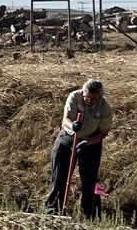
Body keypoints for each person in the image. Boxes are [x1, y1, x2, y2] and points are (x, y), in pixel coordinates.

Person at [45, 78, 113, 218]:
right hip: (68, 138)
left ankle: (90, 215)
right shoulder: (74, 97)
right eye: (87, 98)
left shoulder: (105, 108)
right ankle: (53, 213)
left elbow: (103, 133)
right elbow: (65, 120)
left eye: (93, 99)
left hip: (91, 142)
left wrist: (87, 142)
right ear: (83, 93)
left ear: (99, 96)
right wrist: (73, 126)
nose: (89, 101)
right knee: (59, 177)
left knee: (89, 181)